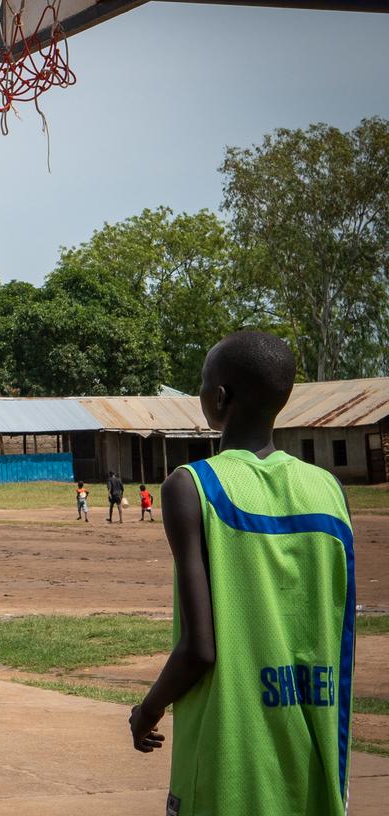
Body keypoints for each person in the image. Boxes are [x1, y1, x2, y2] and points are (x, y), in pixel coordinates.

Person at [130, 331, 355, 816]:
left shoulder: (192, 487)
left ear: (219, 399)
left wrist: (147, 711)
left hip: (228, 765)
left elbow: (198, 650)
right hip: (314, 761)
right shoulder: (329, 491)